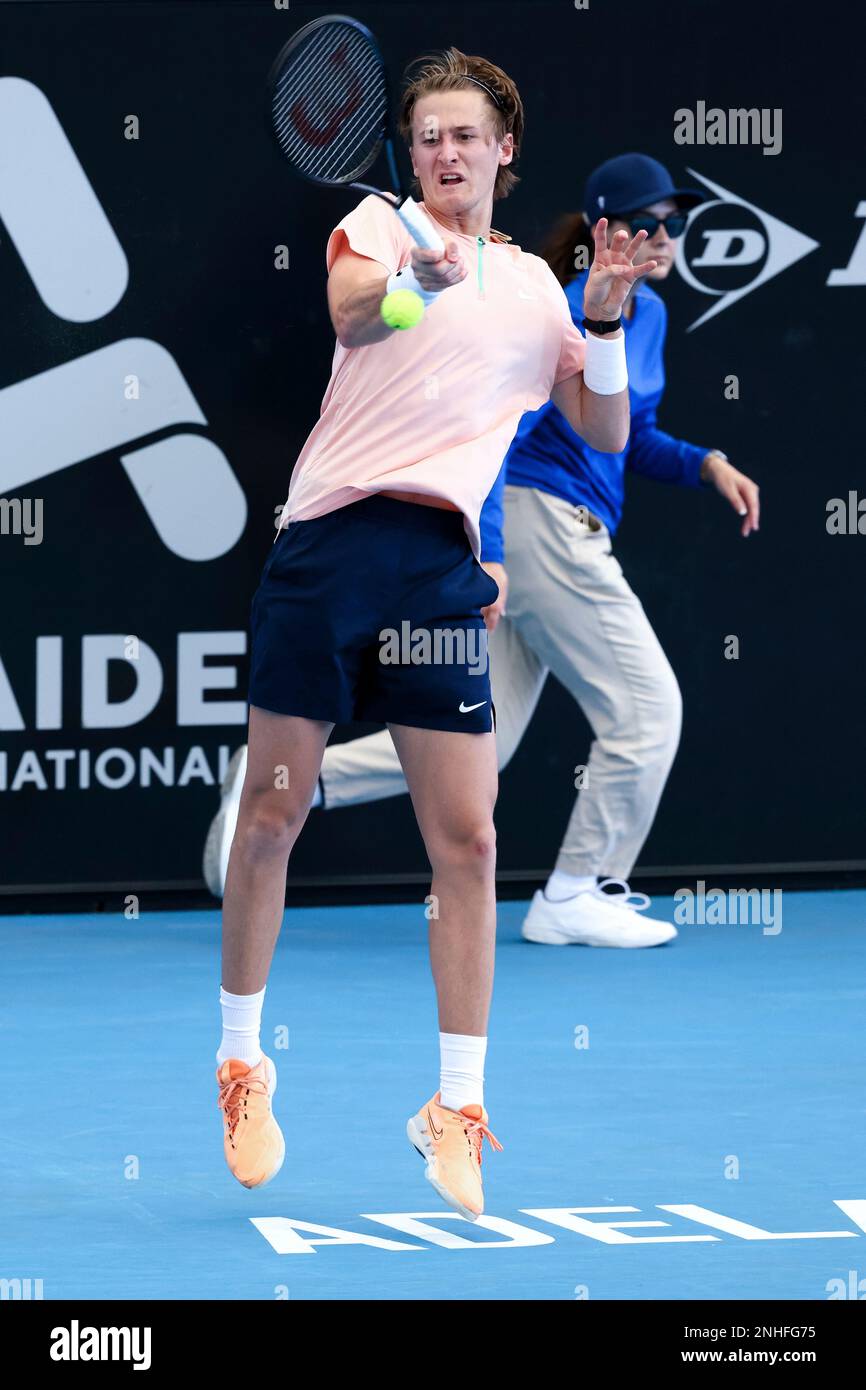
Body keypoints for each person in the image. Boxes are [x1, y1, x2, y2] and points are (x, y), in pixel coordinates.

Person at [213, 53, 652, 1219]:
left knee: (467, 843)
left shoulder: (537, 289)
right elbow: (354, 320)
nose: (443, 155)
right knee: (271, 815)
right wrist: (419, 277)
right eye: (425, 137)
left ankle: (453, 1106)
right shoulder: (377, 225)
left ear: (505, 148)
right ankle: (242, 1064)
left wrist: (601, 316)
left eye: (463, 136)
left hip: (438, 571)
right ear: (406, 153)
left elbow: (598, 428)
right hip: (324, 551)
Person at [205, 153, 760, 953]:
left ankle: (293, 784)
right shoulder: (562, 302)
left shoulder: (649, 317)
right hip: (540, 529)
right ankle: (580, 888)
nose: (666, 234)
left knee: (476, 749)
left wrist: (704, 462)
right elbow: (500, 435)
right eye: (651, 220)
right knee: (648, 710)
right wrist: (490, 551)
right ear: (607, 228)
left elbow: (621, 436)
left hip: (553, 528)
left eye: (674, 222)